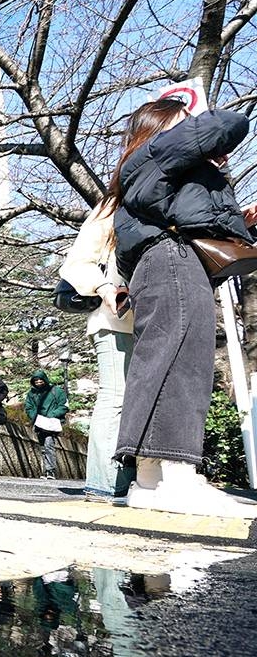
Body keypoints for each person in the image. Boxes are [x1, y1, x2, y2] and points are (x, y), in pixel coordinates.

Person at [111, 99, 257, 517]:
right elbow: (230, 122)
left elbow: (191, 213)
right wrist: (201, 133)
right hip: (173, 259)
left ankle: (150, 481)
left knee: (160, 362)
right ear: (162, 128)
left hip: (160, 262)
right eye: (183, 123)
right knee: (184, 362)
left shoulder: (153, 168)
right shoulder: (159, 151)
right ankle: (180, 478)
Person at [60, 200, 135, 501]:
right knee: (116, 395)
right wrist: (104, 288)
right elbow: (77, 263)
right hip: (114, 319)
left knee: (135, 400)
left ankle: (131, 478)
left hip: (153, 321)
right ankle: (106, 482)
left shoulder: (164, 201)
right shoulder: (112, 207)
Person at [24, 370, 69, 480]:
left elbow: (64, 406)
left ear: (45, 379)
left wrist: (52, 414)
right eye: (36, 380)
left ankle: (50, 470)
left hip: (51, 423)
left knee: (49, 444)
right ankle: (46, 470)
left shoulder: (56, 391)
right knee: (43, 447)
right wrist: (35, 416)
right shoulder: (32, 393)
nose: (38, 382)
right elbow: (29, 407)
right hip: (39, 423)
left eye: (40, 380)